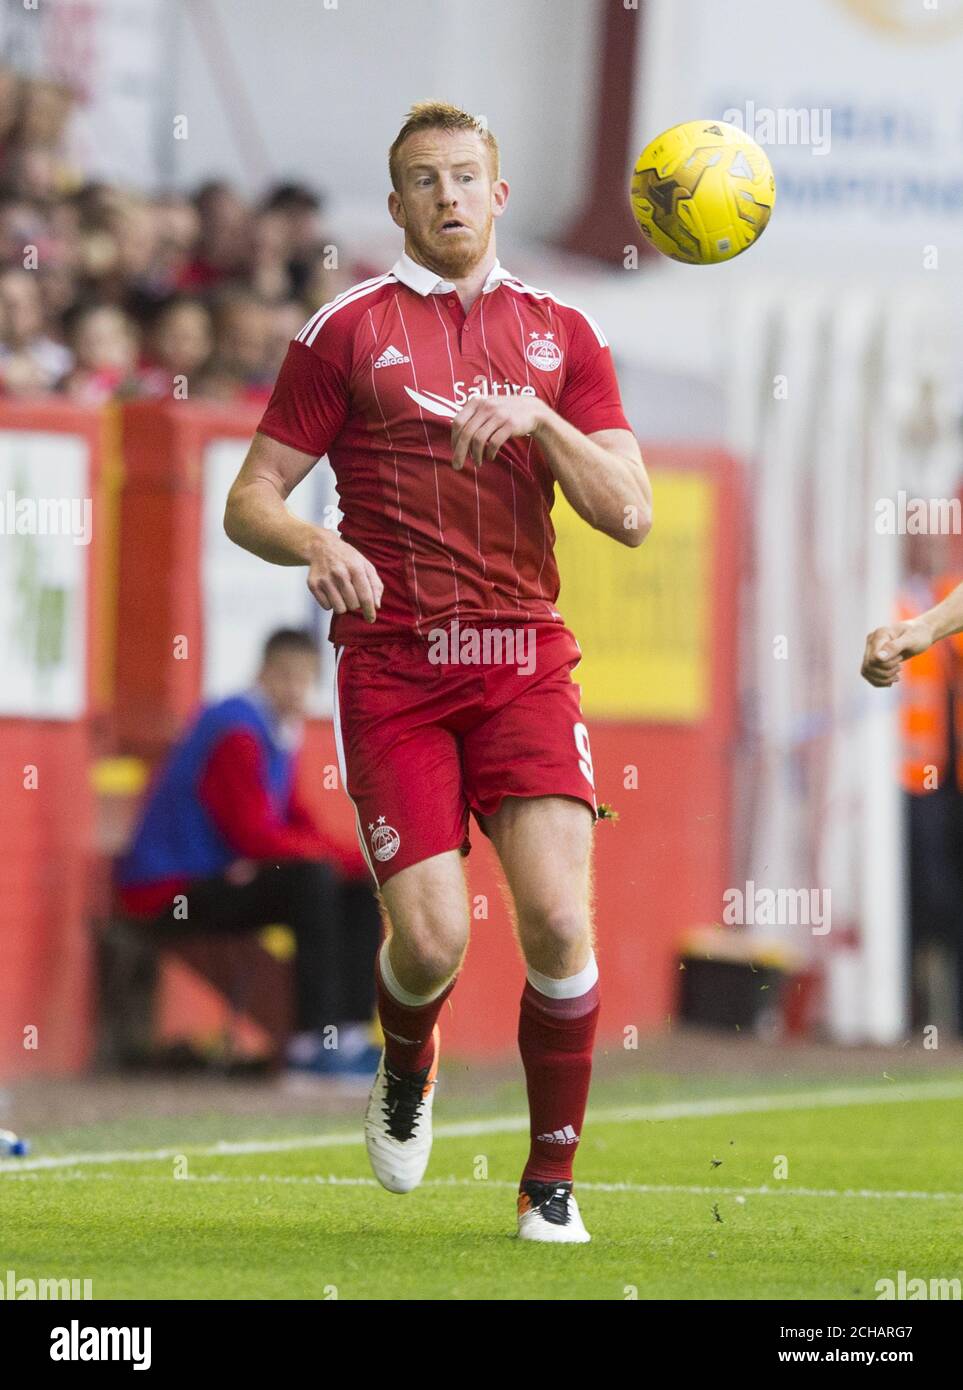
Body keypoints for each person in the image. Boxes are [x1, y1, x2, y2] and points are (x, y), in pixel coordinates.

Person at [223, 102, 652, 1242]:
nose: (449, 196)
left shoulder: (566, 333)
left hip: (522, 661)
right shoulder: (345, 331)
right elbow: (248, 500)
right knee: (431, 942)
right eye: (425, 181)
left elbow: (633, 513)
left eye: (467, 176)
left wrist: (544, 424)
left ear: (500, 195)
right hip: (395, 669)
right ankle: (405, 1066)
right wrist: (316, 540)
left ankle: (548, 1181)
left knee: (559, 921)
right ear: (398, 203)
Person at [115, 628, 381, 1080]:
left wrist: (361, 862)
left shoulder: (277, 731)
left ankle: (348, 1036)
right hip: (167, 890)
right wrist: (339, 861)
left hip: (220, 878)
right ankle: (307, 1044)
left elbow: (295, 819)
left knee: (356, 885)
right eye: (285, 677)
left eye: (304, 680)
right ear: (263, 672)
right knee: (311, 879)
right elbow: (253, 836)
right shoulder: (236, 728)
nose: (295, 690)